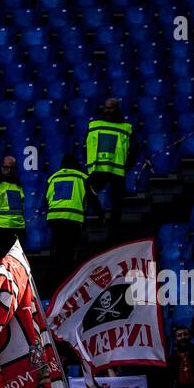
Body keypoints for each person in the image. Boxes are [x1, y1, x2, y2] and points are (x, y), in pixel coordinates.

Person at [43, 151, 101, 279]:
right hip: (72, 220)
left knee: (59, 251)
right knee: (69, 251)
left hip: (55, 219)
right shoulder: (82, 178)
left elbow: (45, 199)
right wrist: (101, 215)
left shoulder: (53, 178)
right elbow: (93, 199)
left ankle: (57, 280)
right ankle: (67, 279)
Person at [86, 97, 134, 226]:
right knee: (86, 192)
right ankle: (100, 214)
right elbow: (86, 146)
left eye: (110, 108)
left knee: (117, 202)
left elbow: (134, 150)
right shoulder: (94, 125)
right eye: (106, 107)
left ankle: (113, 229)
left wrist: (126, 167)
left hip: (116, 171)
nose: (107, 110)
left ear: (117, 109)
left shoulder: (126, 128)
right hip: (99, 170)